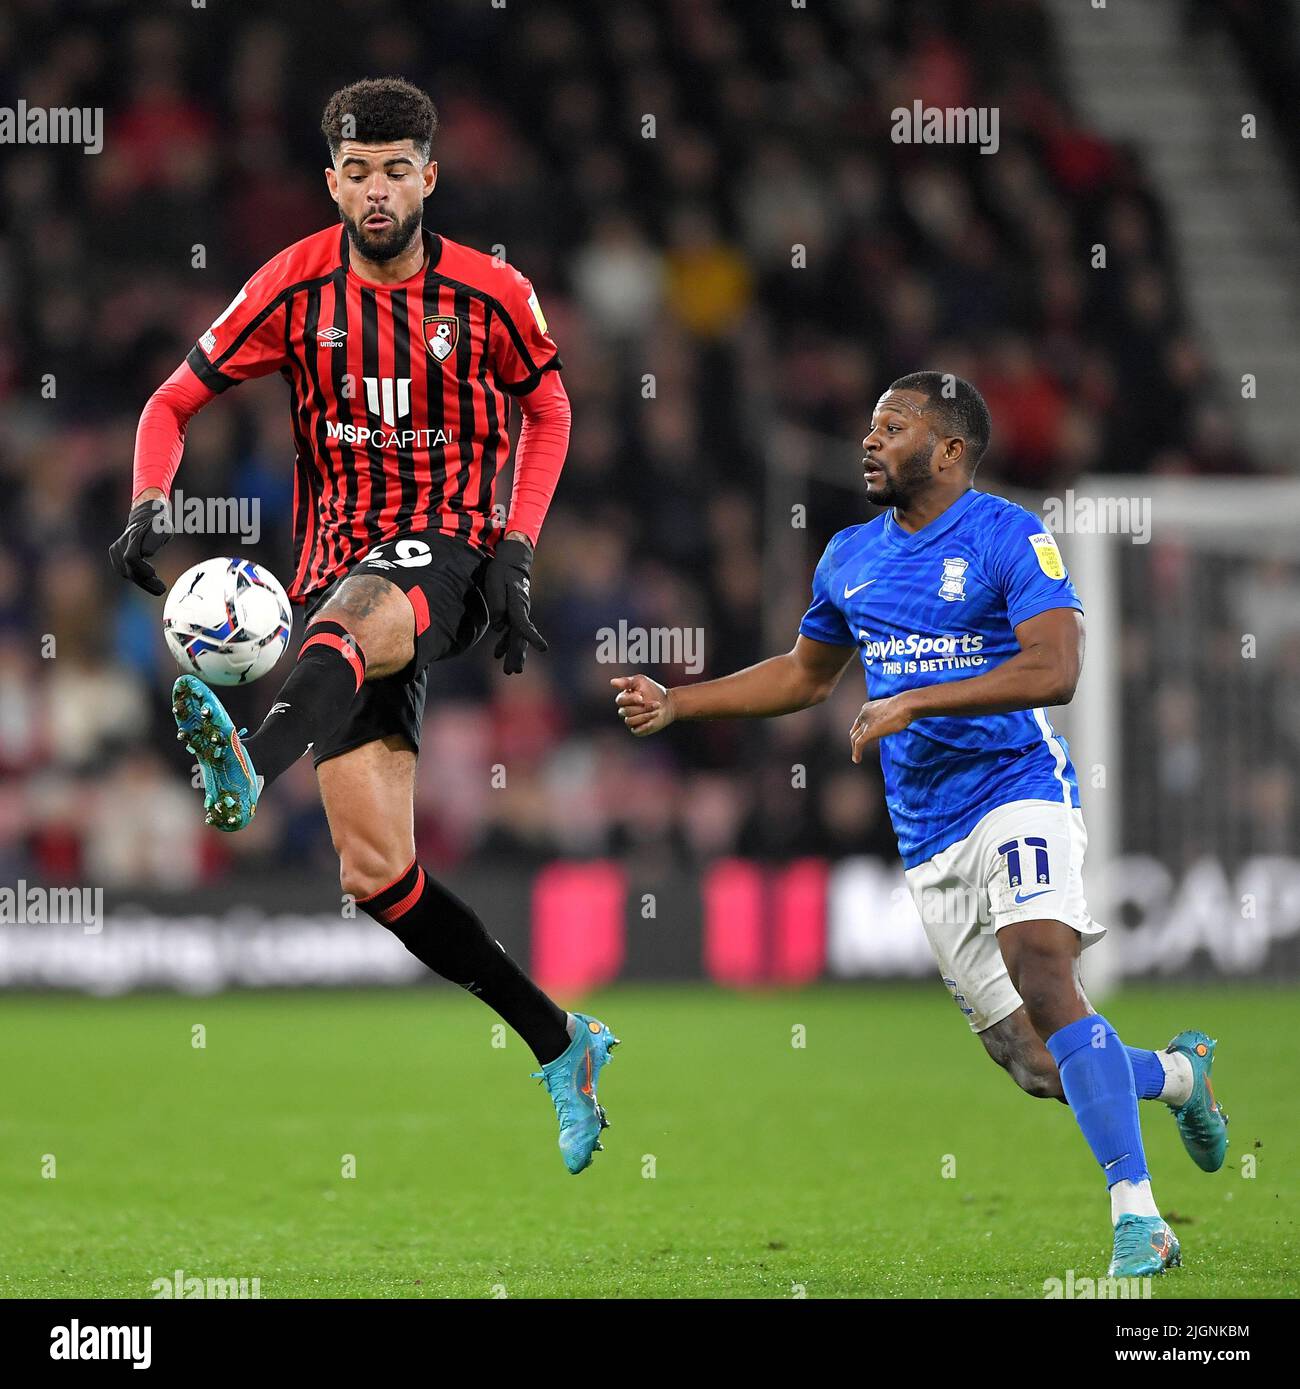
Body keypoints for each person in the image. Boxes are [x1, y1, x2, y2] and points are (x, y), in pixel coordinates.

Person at [109, 76, 616, 1176]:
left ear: (429, 175)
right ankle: (561, 1042)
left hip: (451, 550)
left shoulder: (491, 296)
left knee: (342, 623)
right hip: (340, 570)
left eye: (397, 169)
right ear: (330, 178)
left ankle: (249, 761)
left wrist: (518, 552)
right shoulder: (291, 286)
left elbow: (549, 407)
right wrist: (151, 499)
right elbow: (169, 403)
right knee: (377, 874)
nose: (376, 188)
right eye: (356, 169)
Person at [612, 372, 1227, 1274]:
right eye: (869, 426)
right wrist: (680, 703)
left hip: (1018, 787)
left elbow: (1055, 667)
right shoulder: (848, 557)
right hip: (929, 831)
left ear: (947, 451)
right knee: (1031, 1061)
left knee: (1047, 978)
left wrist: (917, 701)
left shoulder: (1008, 534)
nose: (869, 440)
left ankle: (1139, 1217)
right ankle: (1177, 1076)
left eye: (892, 427)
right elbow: (804, 674)